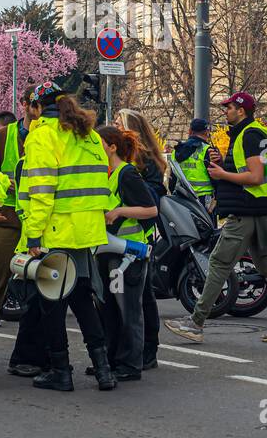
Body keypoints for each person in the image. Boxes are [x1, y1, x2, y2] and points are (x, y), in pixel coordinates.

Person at [165, 92, 267, 345]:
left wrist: (221, 175)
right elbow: (249, 174)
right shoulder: (250, 134)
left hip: (245, 214)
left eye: (228, 107)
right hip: (261, 212)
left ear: (241, 110)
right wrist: (224, 167)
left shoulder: (249, 135)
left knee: (218, 263)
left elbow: (255, 177)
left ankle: (195, 323)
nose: (225, 110)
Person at [20, 86, 115, 392]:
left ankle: (61, 372)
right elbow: (103, 176)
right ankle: (104, 371)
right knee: (83, 301)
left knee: (52, 306)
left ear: (37, 107)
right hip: (85, 233)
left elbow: (42, 191)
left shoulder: (42, 136)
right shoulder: (88, 134)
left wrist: (34, 232)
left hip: (55, 232)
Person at [0, 87, 40, 362]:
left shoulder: (51, 136)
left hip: (39, 221)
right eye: (34, 104)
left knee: (41, 286)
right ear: (24, 104)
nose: (38, 110)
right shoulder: (4, 136)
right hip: (9, 218)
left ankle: (32, 354)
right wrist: (1, 185)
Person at [97, 125, 159, 381]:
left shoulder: (127, 174)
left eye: (98, 143)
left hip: (129, 253)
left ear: (112, 147)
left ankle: (130, 364)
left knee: (129, 310)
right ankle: (112, 359)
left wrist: (120, 212)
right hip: (111, 250)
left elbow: (151, 210)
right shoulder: (108, 173)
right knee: (110, 308)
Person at [116, 106, 167, 368]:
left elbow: (154, 197)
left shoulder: (142, 160)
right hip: (127, 233)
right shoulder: (134, 158)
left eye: (118, 122)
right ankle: (133, 350)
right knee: (130, 294)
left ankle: (148, 349)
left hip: (140, 234)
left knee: (142, 295)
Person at [173, 117, 215, 202]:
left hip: (181, 196)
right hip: (204, 198)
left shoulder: (177, 150)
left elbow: (172, 177)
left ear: (190, 131)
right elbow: (215, 177)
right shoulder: (208, 150)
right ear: (207, 132)